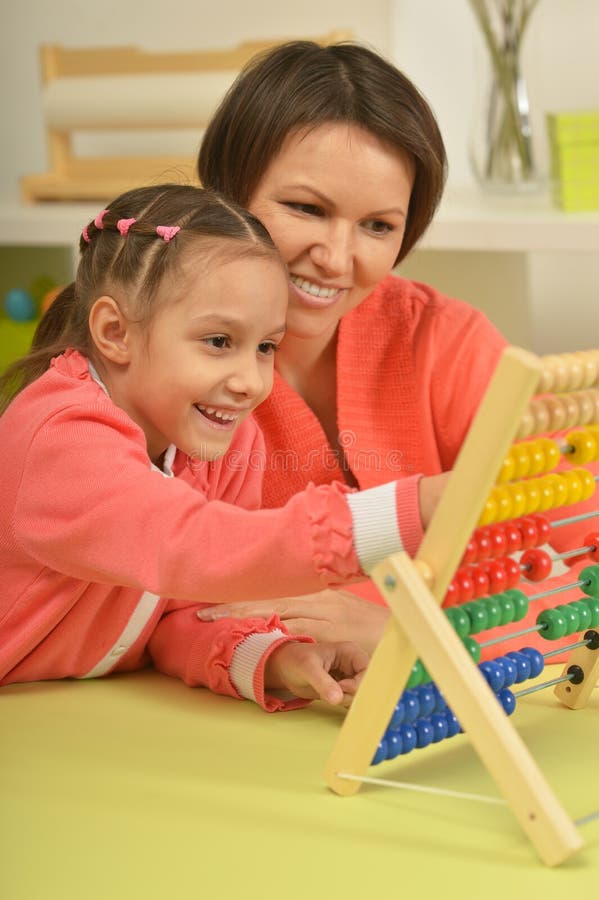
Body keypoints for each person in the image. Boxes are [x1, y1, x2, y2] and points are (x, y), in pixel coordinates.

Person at [0, 183, 441, 712]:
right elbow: (193, 546)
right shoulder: (60, 438)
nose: (251, 382)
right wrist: (407, 513)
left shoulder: (224, 443)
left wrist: (272, 658)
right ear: (115, 331)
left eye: (265, 347)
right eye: (218, 342)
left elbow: (188, 612)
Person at [194, 40, 508, 649]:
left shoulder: (450, 341)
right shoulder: (163, 362)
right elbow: (167, 588)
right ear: (229, 191)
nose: (337, 259)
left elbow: (574, 540)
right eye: (306, 209)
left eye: (378, 226)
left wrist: (413, 634)